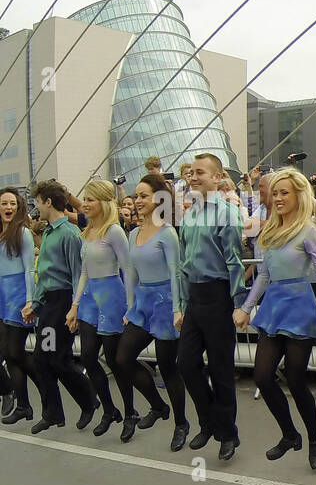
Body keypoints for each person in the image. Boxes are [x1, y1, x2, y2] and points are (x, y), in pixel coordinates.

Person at [234, 169, 316, 469]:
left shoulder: (308, 230)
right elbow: (264, 275)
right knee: (263, 376)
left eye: (285, 193)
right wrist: (245, 307)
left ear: (298, 195)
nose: (278, 198)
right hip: (273, 310)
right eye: (275, 193)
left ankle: (314, 437)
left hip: (301, 310)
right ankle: (290, 434)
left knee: (295, 378)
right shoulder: (268, 232)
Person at [176, 153, 247, 461]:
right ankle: (208, 421)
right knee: (186, 363)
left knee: (220, 369)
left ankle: (228, 434)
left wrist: (238, 303)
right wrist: (181, 303)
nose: (193, 177)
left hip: (218, 296)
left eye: (200, 172)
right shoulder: (189, 214)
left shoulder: (227, 214)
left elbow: (234, 262)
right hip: (195, 296)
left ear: (218, 178)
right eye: (191, 172)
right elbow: (183, 262)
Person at [116, 174, 188, 448]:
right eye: (136, 196)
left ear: (159, 199)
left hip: (166, 303)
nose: (137, 201)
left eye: (143, 195)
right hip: (143, 304)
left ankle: (181, 423)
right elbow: (131, 274)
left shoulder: (167, 233)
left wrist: (177, 309)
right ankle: (157, 405)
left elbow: (175, 273)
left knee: (168, 367)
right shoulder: (133, 233)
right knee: (122, 359)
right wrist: (130, 306)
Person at [24, 181, 98, 433]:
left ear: (48, 202)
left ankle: (88, 399)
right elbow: (44, 275)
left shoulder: (68, 233)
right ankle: (54, 412)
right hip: (49, 304)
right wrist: (35, 304)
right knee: (44, 359)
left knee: (57, 358)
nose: (36, 206)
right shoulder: (47, 232)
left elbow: (79, 274)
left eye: (38, 201)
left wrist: (75, 308)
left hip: (64, 301)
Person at [67, 180, 132, 437]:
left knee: (117, 362)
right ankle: (109, 409)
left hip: (111, 297)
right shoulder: (87, 231)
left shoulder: (114, 231)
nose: (85, 203)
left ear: (104, 202)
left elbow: (127, 269)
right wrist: (74, 305)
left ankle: (130, 413)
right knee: (89, 358)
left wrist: (130, 306)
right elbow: (84, 271)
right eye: (85, 198)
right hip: (89, 299)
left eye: (91, 199)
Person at [0, 188, 37, 423]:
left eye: (12, 203)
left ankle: (23, 399)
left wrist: (30, 300)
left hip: (17, 297)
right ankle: (13, 395)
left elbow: (29, 269)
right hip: (1, 296)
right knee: (12, 355)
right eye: (4, 203)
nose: (8, 207)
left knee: (13, 354)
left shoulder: (22, 233)